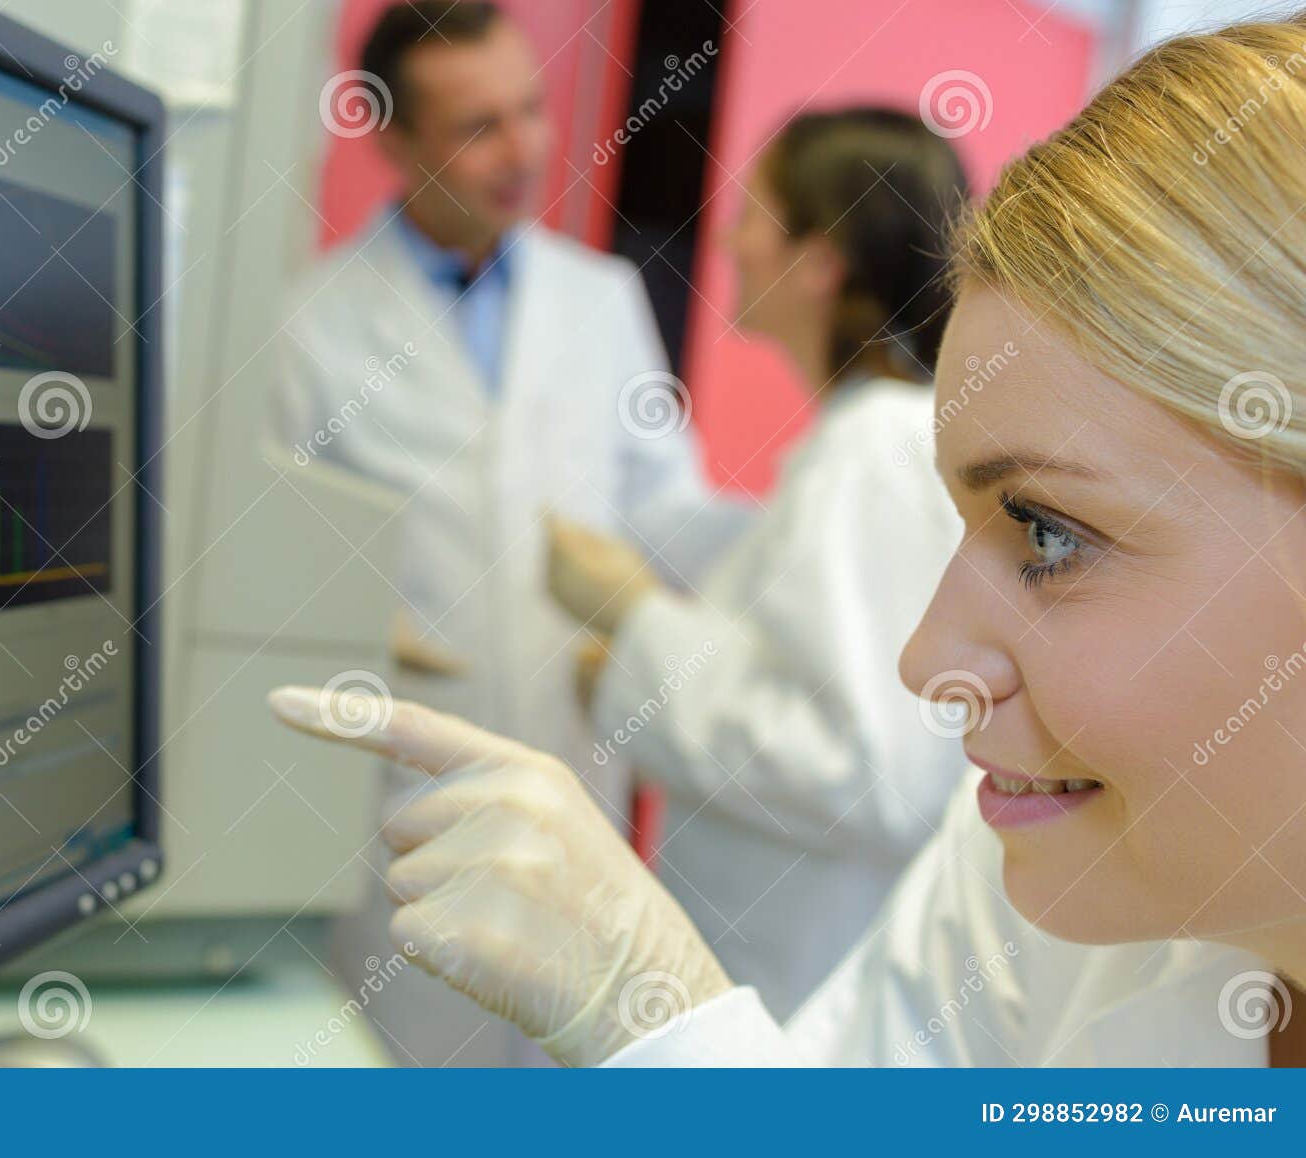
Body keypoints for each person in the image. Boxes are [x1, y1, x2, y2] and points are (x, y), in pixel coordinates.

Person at [268, 13, 1306, 1066]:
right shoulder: (1040, 905)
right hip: (421, 783)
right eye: (473, 125)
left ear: (820, 258)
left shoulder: (637, 325)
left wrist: (634, 628)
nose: (927, 659)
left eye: (1049, 535)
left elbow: (696, 556)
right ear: (392, 138)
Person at [265, 1, 747, 1065]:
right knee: (406, 1076)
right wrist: (350, 622)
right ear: (393, 138)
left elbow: (664, 509)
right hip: (400, 794)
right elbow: (271, 558)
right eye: (477, 127)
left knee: (557, 1069)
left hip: (572, 768)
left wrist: (783, 537)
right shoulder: (308, 325)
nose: (523, 150)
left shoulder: (601, 300)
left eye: (529, 110)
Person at [544, 109, 972, 1018]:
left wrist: (635, 633)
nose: (729, 239)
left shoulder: (875, 451)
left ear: (820, 260)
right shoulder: (861, 444)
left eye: (753, 214)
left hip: (803, 989)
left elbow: (870, 773)